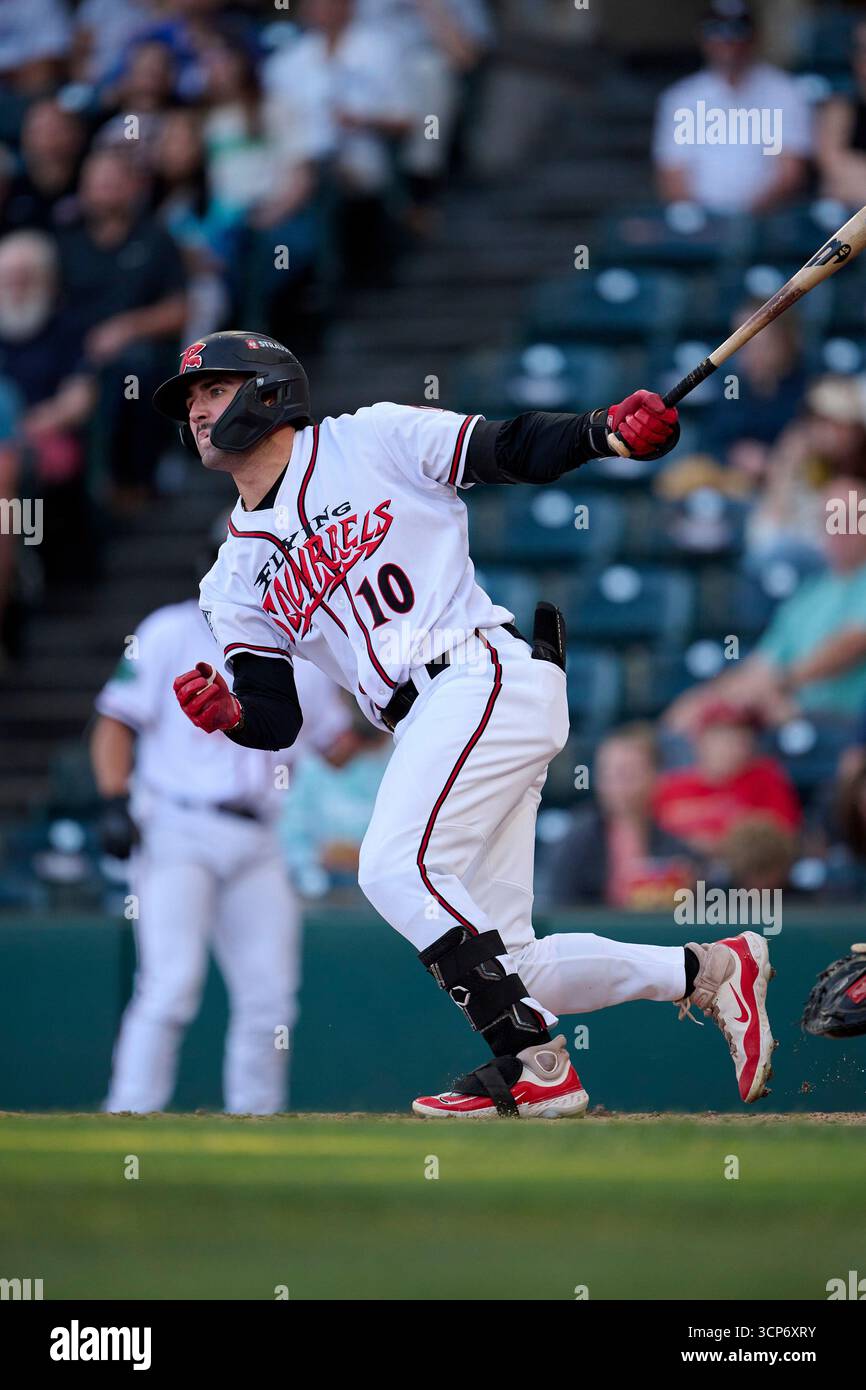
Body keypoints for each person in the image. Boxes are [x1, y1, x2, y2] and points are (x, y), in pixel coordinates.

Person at [152, 329, 777, 1119]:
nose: (200, 411)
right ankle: (712, 970)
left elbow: (505, 447)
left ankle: (532, 1062)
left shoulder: (368, 438)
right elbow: (275, 717)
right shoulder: (230, 577)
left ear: (269, 390)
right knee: (519, 966)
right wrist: (233, 715)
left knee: (390, 867)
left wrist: (601, 431)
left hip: (477, 673)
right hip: (428, 725)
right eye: (192, 402)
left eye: (214, 390)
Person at [91, 538, 352, 1115]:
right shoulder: (169, 630)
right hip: (178, 825)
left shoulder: (303, 647)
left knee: (271, 1000)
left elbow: (338, 745)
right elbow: (115, 722)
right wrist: (113, 799)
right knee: (171, 986)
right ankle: (128, 1114)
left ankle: (256, 1123)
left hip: (260, 838)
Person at [667, 476, 866, 735]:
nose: (838, 529)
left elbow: (851, 643)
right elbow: (764, 662)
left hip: (845, 724)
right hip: (786, 711)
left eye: (849, 518)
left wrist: (781, 683)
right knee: (691, 719)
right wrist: (710, 698)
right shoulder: (809, 594)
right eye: (831, 518)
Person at [652, 0, 811, 215]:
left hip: (767, 222)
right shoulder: (681, 98)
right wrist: (705, 224)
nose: (727, 40)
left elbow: (790, 172)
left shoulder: (785, 92)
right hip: (700, 225)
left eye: (738, 30)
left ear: (755, 37)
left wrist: (744, 222)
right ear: (702, 38)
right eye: (715, 30)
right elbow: (672, 174)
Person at [542, 724, 696, 909]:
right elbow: (559, 907)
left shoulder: (674, 839)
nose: (615, 785)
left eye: (627, 774)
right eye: (607, 773)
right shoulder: (576, 839)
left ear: (654, 776)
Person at [653, 702, 801, 854]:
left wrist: (721, 845)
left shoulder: (766, 779)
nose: (733, 745)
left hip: (739, 869)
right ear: (699, 740)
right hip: (685, 870)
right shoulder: (671, 787)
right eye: (721, 736)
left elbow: (780, 840)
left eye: (741, 736)